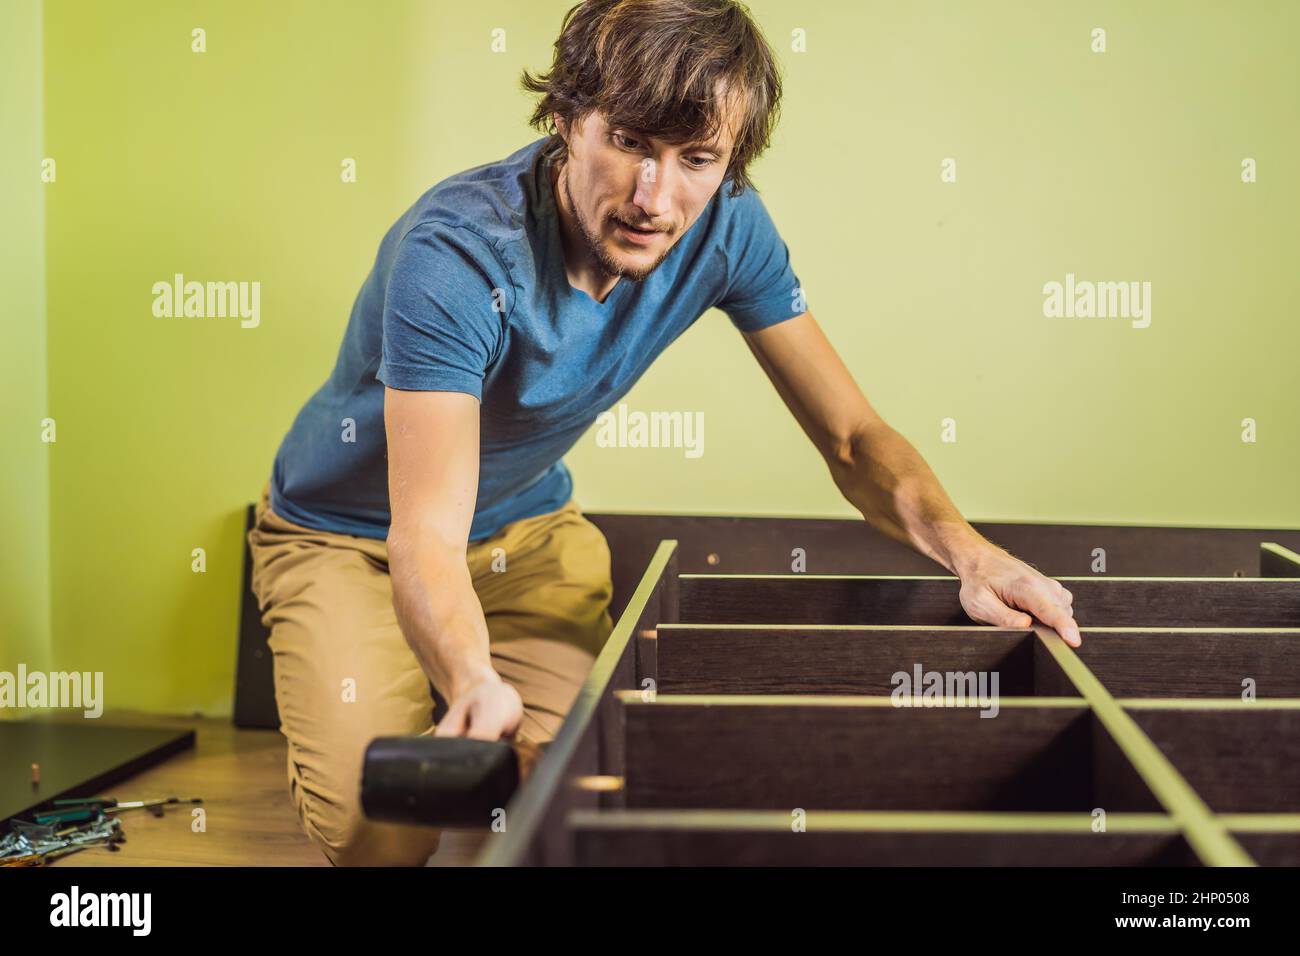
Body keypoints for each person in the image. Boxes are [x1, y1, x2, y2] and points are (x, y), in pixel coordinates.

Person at [248, 0, 1080, 867]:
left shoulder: (728, 231)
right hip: (346, 538)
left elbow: (851, 439)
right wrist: (470, 676)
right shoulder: (458, 255)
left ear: (731, 163)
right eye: (632, 142)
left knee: (568, 786)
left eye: (698, 159)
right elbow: (425, 533)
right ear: (567, 120)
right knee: (378, 834)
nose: (657, 198)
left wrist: (972, 553)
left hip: (527, 537)